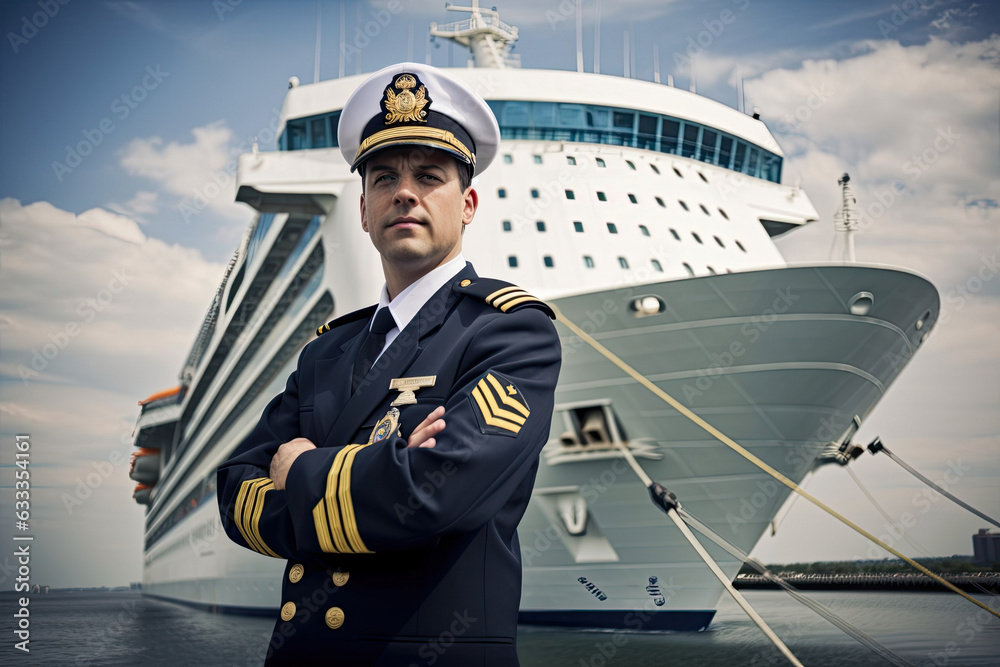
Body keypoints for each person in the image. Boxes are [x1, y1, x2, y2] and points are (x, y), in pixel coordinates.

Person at [216, 62, 562, 666]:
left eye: (429, 176)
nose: (405, 191)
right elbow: (233, 492)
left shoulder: (509, 330)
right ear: (363, 209)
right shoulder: (326, 351)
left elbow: (436, 494)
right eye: (384, 178)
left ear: (469, 203)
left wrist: (299, 473)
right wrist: (387, 471)